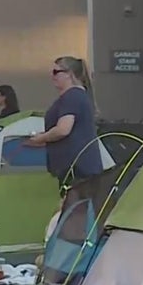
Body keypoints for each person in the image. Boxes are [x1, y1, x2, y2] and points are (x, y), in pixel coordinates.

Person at [25, 56, 103, 188]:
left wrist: (41, 138)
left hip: (75, 168)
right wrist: (44, 139)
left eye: (56, 72)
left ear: (69, 74)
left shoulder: (72, 96)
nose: (52, 76)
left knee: (73, 199)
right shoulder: (78, 96)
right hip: (79, 166)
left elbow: (63, 130)